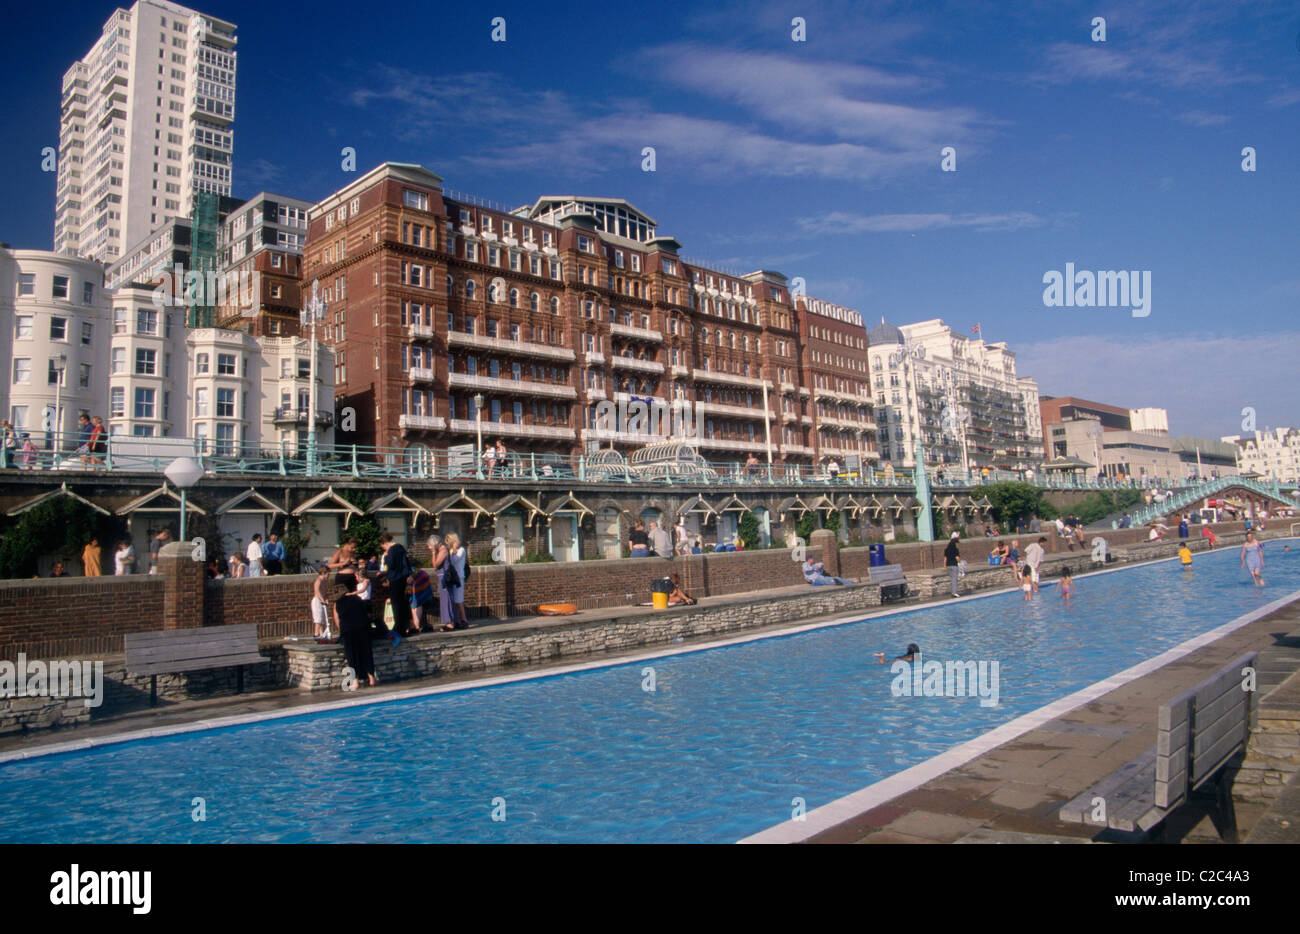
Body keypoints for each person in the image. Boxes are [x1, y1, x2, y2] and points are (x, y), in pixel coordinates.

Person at [333, 574, 377, 689]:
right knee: (366, 652)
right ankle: (371, 677)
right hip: (363, 628)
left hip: (348, 630)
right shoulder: (358, 599)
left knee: (352, 655)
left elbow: (338, 619)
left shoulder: (339, 602)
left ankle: (355, 680)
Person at [379, 533, 414, 637]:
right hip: (402, 578)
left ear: (385, 543)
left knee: (395, 603)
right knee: (401, 602)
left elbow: (391, 564)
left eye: (383, 547)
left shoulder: (391, 550)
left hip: (394, 578)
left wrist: (385, 557)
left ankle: (398, 626)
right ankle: (404, 626)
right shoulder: (401, 548)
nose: (384, 549)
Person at [439, 532, 469, 631]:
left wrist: (453, 550)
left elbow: (455, 560)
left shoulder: (461, 550)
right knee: (453, 599)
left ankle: (464, 620)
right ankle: (457, 620)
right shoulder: (450, 550)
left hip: (459, 577)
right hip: (453, 577)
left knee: (458, 599)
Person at [409, 563, 436, 632]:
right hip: (421, 576)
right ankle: (422, 625)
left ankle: (416, 626)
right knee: (415, 601)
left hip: (418, 578)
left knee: (416, 601)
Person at [311, 565, 331, 638]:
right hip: (317, 601)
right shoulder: (318, 581)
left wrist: (326, 599)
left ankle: (322, 634)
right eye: (328, 573)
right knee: (318, 618)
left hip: (322, 601)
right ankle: (316, 634)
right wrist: (322, 600)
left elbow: (325, 593)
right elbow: (317, 591)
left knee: (322, 619)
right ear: (323, 573)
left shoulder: (325, 582)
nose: (329, 575)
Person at [944, 532, 962, 597]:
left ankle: (953, 591)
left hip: (948, 565)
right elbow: (957, 558)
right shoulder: (955, 549)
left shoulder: (947, 549)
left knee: (952, 579)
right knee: (954, 579)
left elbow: (945, 558)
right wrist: (960, 562)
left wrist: (944, 566)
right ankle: (954, 592)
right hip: (954, 565)